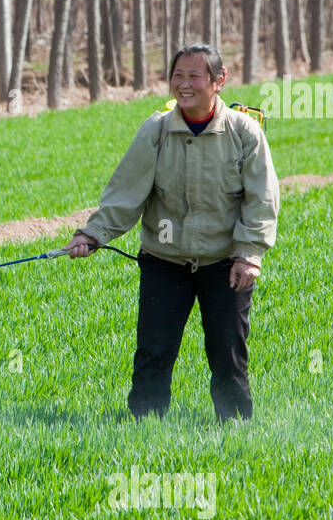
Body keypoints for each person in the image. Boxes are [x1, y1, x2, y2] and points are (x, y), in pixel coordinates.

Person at [65, 43, 279, 423]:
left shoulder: (244, 133)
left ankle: (235, 427)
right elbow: (125, 194)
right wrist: (92, 235)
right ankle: (144, 426)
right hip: (164, 263)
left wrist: (249, 254)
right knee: (154, 351)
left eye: (194, 76)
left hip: (225, 264)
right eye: (177, 76)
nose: (184, 84)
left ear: (218, 81)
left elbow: (261, 198)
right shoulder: (157, 130)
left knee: (228, 352)